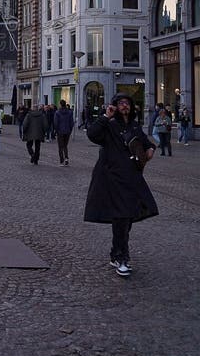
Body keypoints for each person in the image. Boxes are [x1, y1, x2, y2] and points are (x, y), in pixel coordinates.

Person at [84, 92, 158, 277]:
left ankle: (116, 252)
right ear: (115, 106)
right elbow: (92, 135)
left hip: (132, 177)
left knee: (127, 216)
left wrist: (150, 149)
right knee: (122, 216)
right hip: (112, 177)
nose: (125, 106)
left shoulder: (133, 125)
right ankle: (122, 257)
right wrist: (105, 116)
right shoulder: (109, 124)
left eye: (127, 103)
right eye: (121, 103)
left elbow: (145, 142)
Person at [53, 99, 75, 165]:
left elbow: (56, 123)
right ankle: (66, 158)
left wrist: (56, 131)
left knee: (60, 146)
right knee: (65, 146)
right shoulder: (69, 112)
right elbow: (72, 123)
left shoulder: (57, 112)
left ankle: (61, 160)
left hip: (60, 131)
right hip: (67, 131)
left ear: (60, 104)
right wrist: (70, 130)